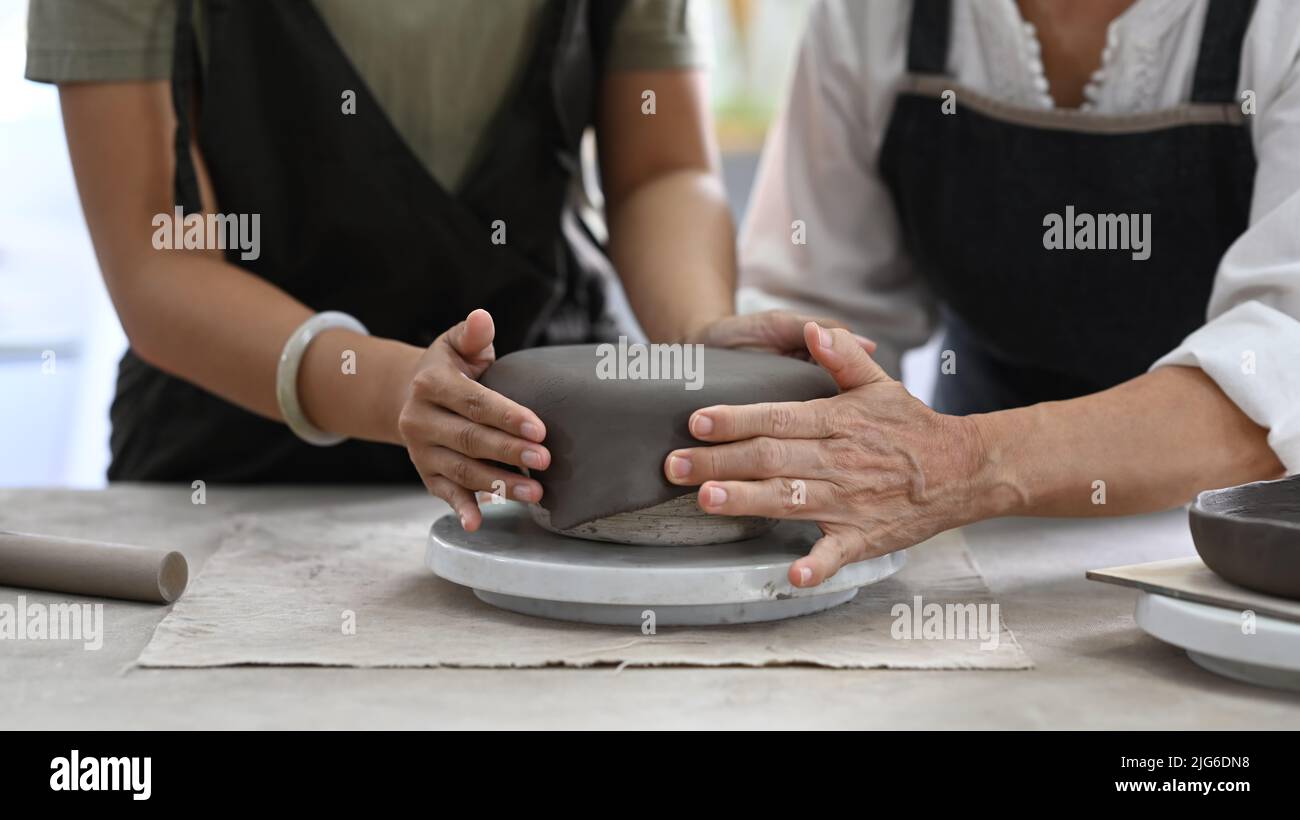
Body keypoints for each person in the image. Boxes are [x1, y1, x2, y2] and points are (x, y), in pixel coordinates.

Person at [28, 0, 853, 530]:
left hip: (555, 472)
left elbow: (660, 169)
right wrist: (399, 391)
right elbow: (160, 259)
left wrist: (701, 332)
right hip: (228, 469)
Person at [663, 0, 1300, 587]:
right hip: (960, 537)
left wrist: (964, 463)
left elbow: (1279, 365)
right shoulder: (871, 15)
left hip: (1240, 547)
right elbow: (822, 304)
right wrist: (767, 387)